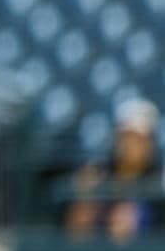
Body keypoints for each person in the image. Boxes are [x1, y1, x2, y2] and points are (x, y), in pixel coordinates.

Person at [64, 98, 163, 243]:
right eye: (125, 137)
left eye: (138, 139)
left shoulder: (159, 179)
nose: (129, 145)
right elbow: (76, 232)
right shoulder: (98, 174)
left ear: (150, 142)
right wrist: (85, 197)